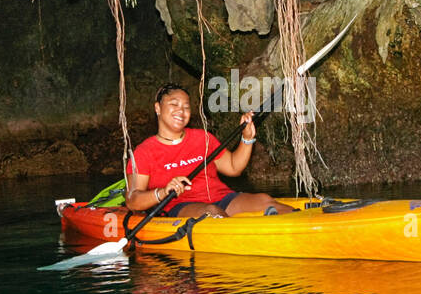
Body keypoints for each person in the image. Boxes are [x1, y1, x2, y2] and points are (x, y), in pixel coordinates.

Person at [125, 84, 297, 218]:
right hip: (180, 207)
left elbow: (233, 167)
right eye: (174, 104)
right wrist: (163, 192)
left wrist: (247, 138)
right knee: (211, 211)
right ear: (157, 108)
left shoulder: (203, 138)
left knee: (264, 200)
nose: (181, 111)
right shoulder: (144, 152)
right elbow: (133, 200)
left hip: (222, 198)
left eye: (186, 106)